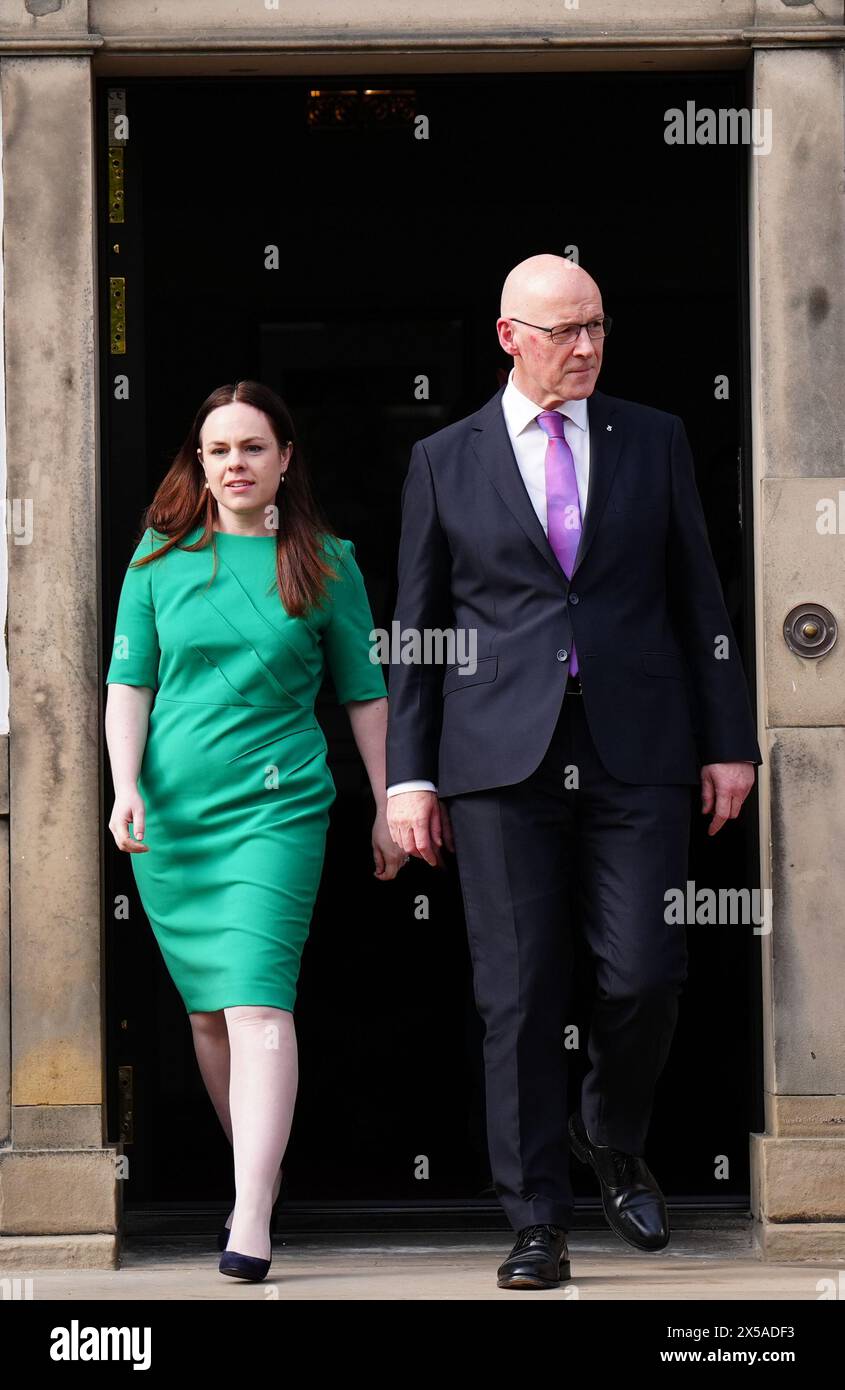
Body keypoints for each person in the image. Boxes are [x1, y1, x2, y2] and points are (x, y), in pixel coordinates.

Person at [385, 255, 762, 1291]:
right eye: (563, 331)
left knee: (644, 969)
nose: (586, 347)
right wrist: (406, 776)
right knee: (515, 993)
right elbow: (416, 626)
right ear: (510, 336)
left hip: (636, 747)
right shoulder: (441, 459)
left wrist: (728, 739)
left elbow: (700, 599)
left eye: (596, 326)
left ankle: (609, 1130)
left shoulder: (654, 436)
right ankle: (536, 1222)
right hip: (495, 758)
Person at [105, 380, 405, 1284]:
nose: (236, 464)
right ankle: (260, 1186)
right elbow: (130, 686)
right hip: (174, 814)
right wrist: (124, 788)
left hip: (278, 809)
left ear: (284, 460)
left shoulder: (326, 561)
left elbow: (364, 693)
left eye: (253, 448)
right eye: (219, 450)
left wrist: (391, 803)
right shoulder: (157, 560)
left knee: (258, 1001)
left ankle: (248, 1218)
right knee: (208, 1012)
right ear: (199, 465)